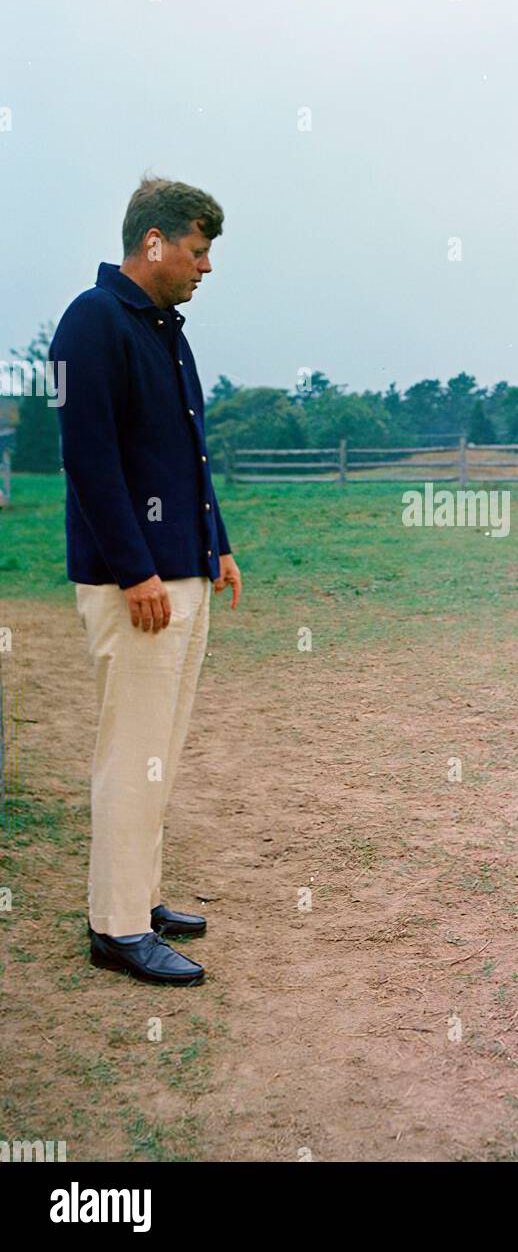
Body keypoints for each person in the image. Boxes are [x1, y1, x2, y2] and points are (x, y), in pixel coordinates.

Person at [48, 177, 242, 986]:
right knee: (132, 755)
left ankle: (139, 896)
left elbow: (183, 452)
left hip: (183, 573)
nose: (205, 267)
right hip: (140, 587)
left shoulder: (164, 329)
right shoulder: (90, 323)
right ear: (154, 241)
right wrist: (135, 570)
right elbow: (89, 459)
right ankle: (118, 930)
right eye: (198, 251)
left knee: (158, 752)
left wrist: (217, 544)